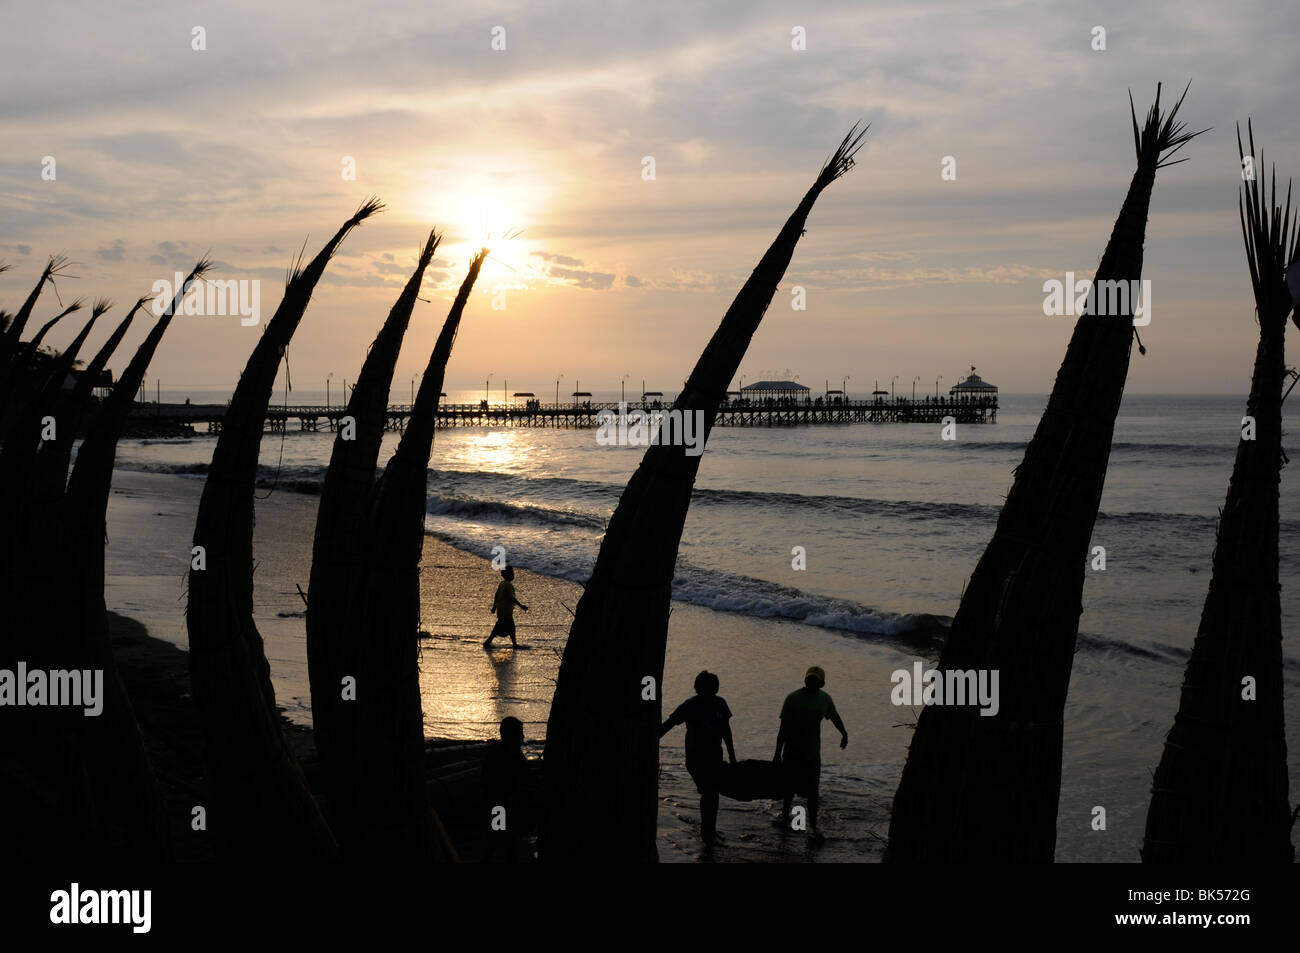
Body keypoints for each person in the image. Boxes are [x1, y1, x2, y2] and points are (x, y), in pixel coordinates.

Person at [660, 670, 737, 847]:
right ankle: (706, 832)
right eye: (706, 689)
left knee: (714, 792)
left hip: (716, 756)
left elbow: (726, 731)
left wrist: (733, 757)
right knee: (708, 792)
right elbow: (669, 724)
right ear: (698, 689)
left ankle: (711, 829)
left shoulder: (720, 704)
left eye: (713, 689)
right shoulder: (690, 705)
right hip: (696, 757)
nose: (710, 693)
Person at [773, 665, 847, 842]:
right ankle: (784, 817)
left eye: (815, 679)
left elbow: (834, 716)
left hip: (813, 754)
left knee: (813, 792)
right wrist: (777, 753)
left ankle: (813, 826)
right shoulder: (792, 699)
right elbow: (783, 729)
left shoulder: (825, 699)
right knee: (789, 789)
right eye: (809, 678)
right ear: (805, 680)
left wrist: (844, 733)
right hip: (792, 752)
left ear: (822, 683)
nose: (811, 682)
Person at [481, 716, 538, 862]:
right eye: (520, 733)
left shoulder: (497, 753)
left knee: (499, 839)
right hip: (503, 806)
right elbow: (527, 778)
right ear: (512, 736)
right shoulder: (511, 754)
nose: (523, 737)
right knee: (504, 839)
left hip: (499, 806)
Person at [484, 566, 527, 648]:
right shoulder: (508, 585)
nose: (513, 574)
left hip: (501, 610)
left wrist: (494, 607)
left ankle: (489, 641)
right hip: (506, 611)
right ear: (509, 575)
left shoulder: (502, 584)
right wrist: (521, 606)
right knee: (511, 627)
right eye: (512, 573)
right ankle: (514, 644)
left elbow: (496, 595)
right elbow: (511, 597)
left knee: (500, 627)